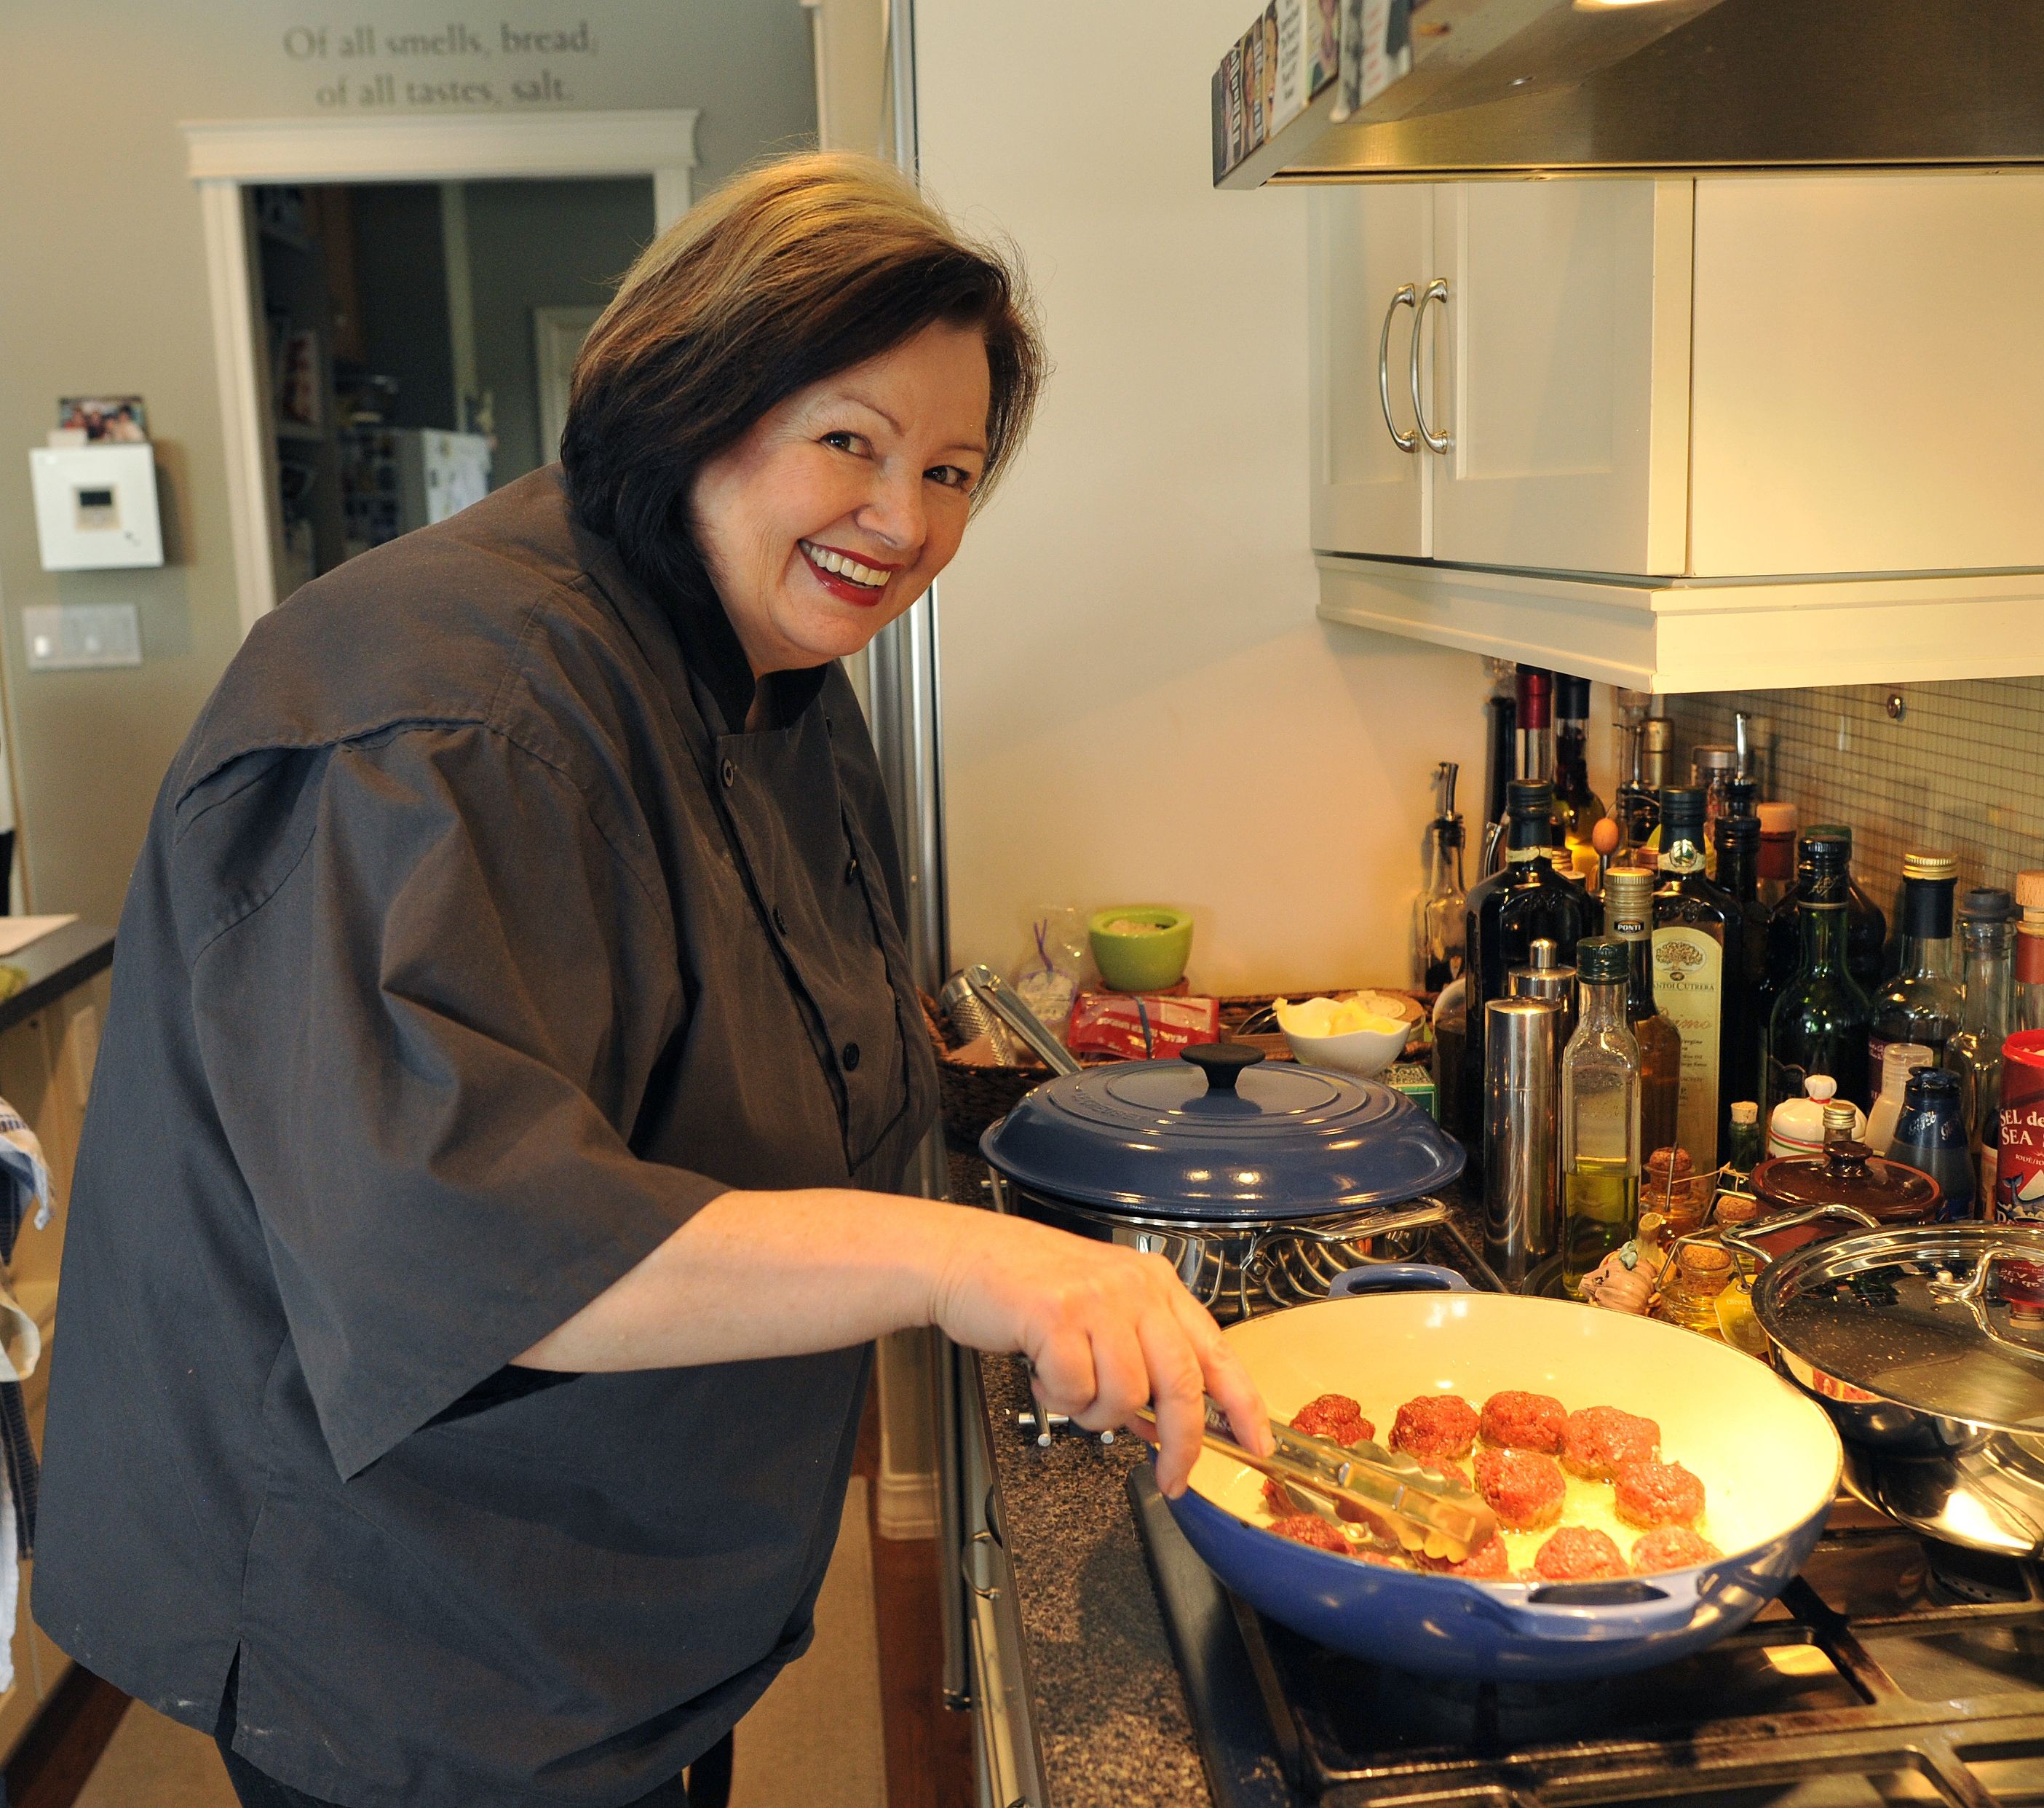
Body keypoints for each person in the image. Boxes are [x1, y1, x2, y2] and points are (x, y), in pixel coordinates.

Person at [35, 153, 1269, 1808]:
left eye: (955, 469)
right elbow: (475, 1251)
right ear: (693, 396)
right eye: (850, 440)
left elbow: (785, 1038)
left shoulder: (767, 664)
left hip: (627, 1595)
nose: (906, 522)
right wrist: (966, 1264)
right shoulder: (448, 712)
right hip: (420, 1627)